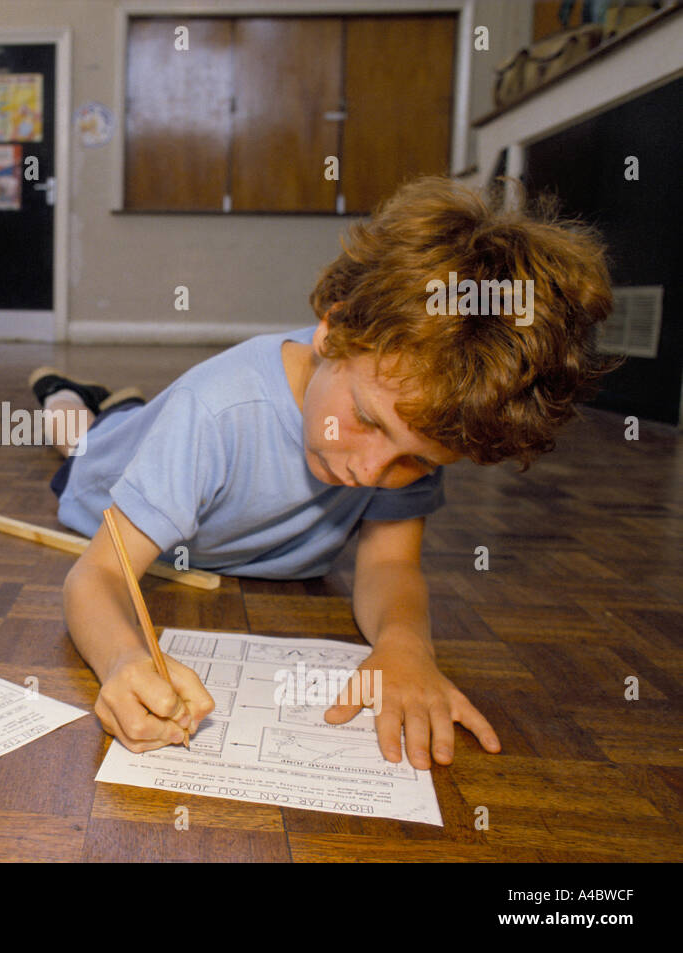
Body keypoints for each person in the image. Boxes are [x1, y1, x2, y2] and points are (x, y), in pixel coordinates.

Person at [39, 175, 619, 768]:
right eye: (366, 420)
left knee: (127, 414)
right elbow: (96, 579)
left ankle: (117, 404)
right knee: (78, 434)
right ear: (333, 332)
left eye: (416, 461)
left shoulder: (420, 409)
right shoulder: (215, 410)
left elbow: (390, 564)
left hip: (194, 489)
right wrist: (122, 660)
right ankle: (62, 391)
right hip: (101, 472)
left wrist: (405, 644)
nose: (370, 471)